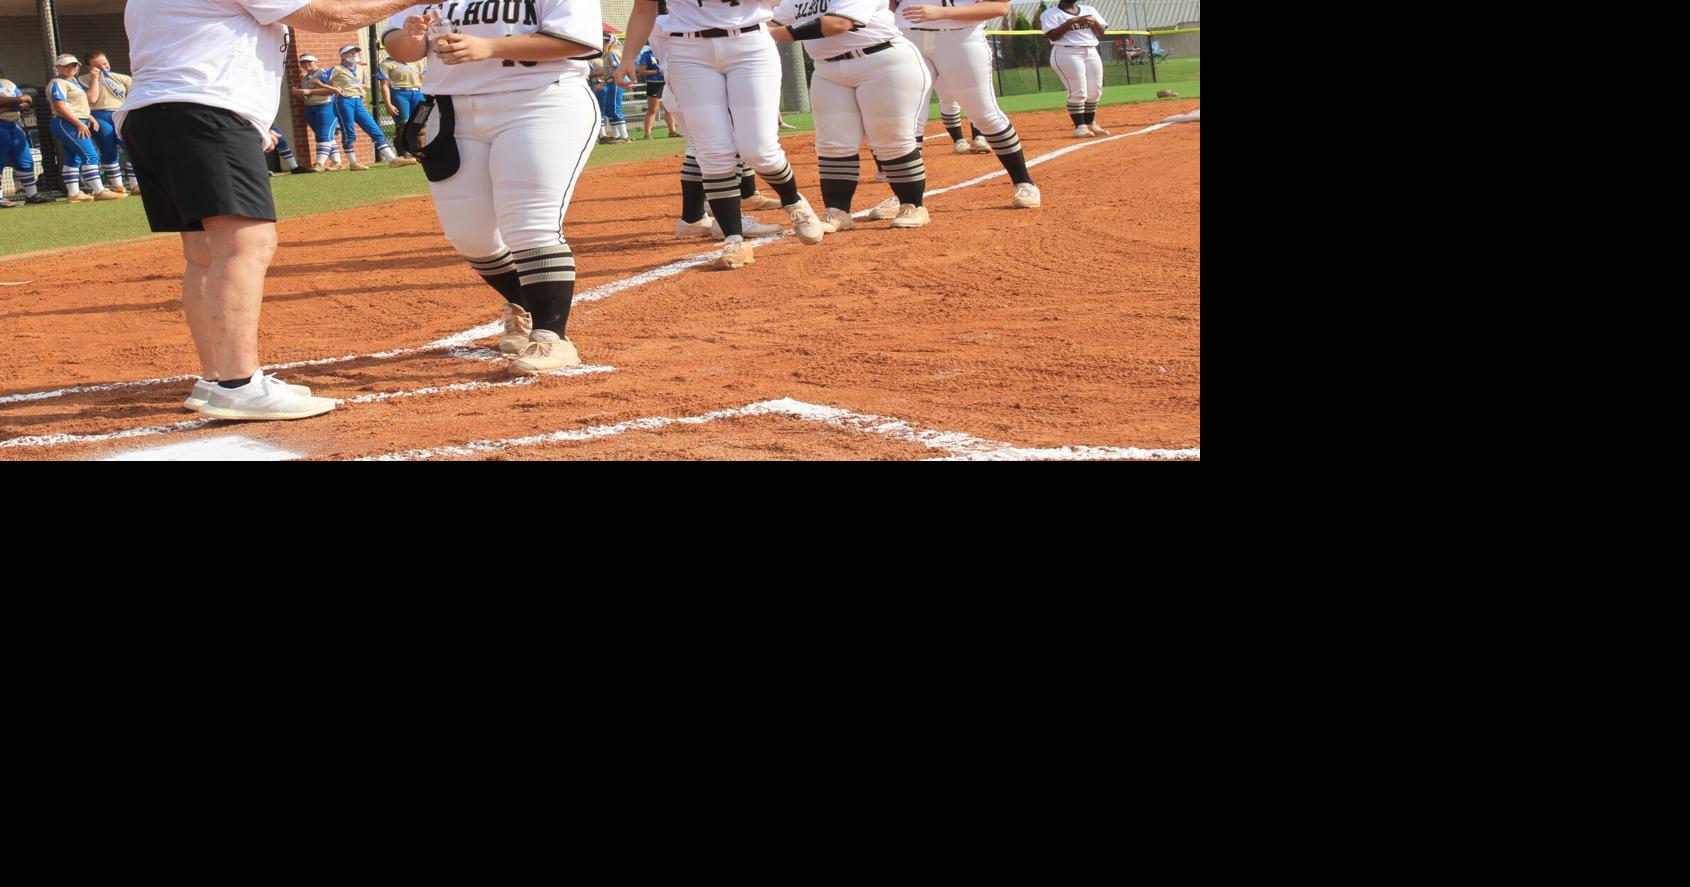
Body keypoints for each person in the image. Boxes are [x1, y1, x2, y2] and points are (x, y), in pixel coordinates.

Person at [118, 0, 426, 421]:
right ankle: (239, 384)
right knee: (246, 244)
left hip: (157, 114)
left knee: (204, 255)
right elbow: (329, 17)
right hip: (205, 111)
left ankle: (217, 377)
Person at [382, 1, 603, 373]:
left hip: (539, 99)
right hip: (451, 112)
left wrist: (491, 47)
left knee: (529, 222)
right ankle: (525, 305)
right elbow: (402, 48)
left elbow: (577, 41)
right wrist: (410, 35)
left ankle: (552, 338)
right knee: (471, 236)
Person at [617, 0, 828, 271]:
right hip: (687, 50)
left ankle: (793, 201)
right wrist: (627, 58)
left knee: (759, 150)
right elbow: (644, 8)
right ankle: (734, 239)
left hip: (749, 43)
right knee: (713, 152)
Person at [771, 0, 932, 231]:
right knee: (833, 144)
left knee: (891, 140)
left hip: (882, 61)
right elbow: (769, 21)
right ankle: (837, 212)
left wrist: (767, 35)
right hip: (827, 69)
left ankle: (913, 206)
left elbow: (838, 23)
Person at [893, 0, 1039, 209]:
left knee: (985, 115)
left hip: (961, 38)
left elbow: (999, 7)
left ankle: (1024, 182)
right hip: (907, 38)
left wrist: (941, 12)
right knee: (908, 122)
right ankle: (906, 198)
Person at [327, 44, 417, 169]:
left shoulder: (359, 68)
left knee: (375, 130)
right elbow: (317, 79)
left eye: (356, 52)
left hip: (358, 101)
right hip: (344, 102)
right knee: (349, 133)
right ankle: (353, 163)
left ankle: (392, 159)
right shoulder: (336, 69)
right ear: (342, 56)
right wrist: (333, 89)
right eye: (350, 53)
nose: (354, 55)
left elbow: (362, 83)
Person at [48, 55, 122, 202]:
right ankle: (99, 191)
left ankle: (74, 194)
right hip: (66, 123)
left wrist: (89, 117)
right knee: (90, 155)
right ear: (58, 67)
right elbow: (59, 107)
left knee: (72, 159)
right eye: (67, 65)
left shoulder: (73, 81)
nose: (72, 68)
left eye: (74, 65)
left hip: (76, 121)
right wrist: (78, 123)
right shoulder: (58, 82)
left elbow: (77, 105)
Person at [1040, 0, 1110, 137]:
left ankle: (1090, 123)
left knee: (1095, 91)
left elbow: (1101, 32)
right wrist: (1072, 22)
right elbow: (1053, 35)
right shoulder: (1050, 13)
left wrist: (1094, 22)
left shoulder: (1089, 9)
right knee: (1078, 91)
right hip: (1067, 52)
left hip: (1091, 50)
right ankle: (1080, 127)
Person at [78, 51, 141, 194]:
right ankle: (118, 186)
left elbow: (134, 96)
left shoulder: (123, 78)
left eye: (105, 63)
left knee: (131, 147)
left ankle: (135, 185)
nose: (103, 67)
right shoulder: (83, 79)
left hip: (120, 113)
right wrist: (95, 78)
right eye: (97, 65)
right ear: (89, 67)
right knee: (108, 149)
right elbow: (92, 99)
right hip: (99, 114)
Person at [1, 77, 55, 204]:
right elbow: (22, 100)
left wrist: (7, 106)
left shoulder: (8, 83)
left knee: (25, 160)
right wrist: (18, 101)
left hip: (14, 124)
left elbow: (28, 100)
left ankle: (32, 195)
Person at [293, 54, 346, 170]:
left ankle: (319, 163)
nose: (306, 65)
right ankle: (337, 162)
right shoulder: (304, 76)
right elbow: (305, 94)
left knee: (323, 135)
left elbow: (332, 91)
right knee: (326, 136)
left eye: (309, 62)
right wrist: (298, 93)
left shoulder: (323, 73)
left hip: (326, 106)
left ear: (315, 61)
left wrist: (309, 91)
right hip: (310, 107)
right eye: (303, 63)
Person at [377, 49, 426, 152]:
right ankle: (404, 154)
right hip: (400, 94)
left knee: (421, 124)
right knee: (403, 125)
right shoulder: (387, 64)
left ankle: (420, 152)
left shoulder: (417, 62)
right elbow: (384, 85)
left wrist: (427, 97)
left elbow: (423, 80)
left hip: (418, 93)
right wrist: (388, 104)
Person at [635, 40, 664, 140]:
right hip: (654, 83)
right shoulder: (647, 54)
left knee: (671, 108)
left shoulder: (668, 52)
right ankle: (647, 133)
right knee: (653, 109)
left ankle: (672, 131)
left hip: (668, 83)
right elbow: (642, 71)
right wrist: (658, 71)